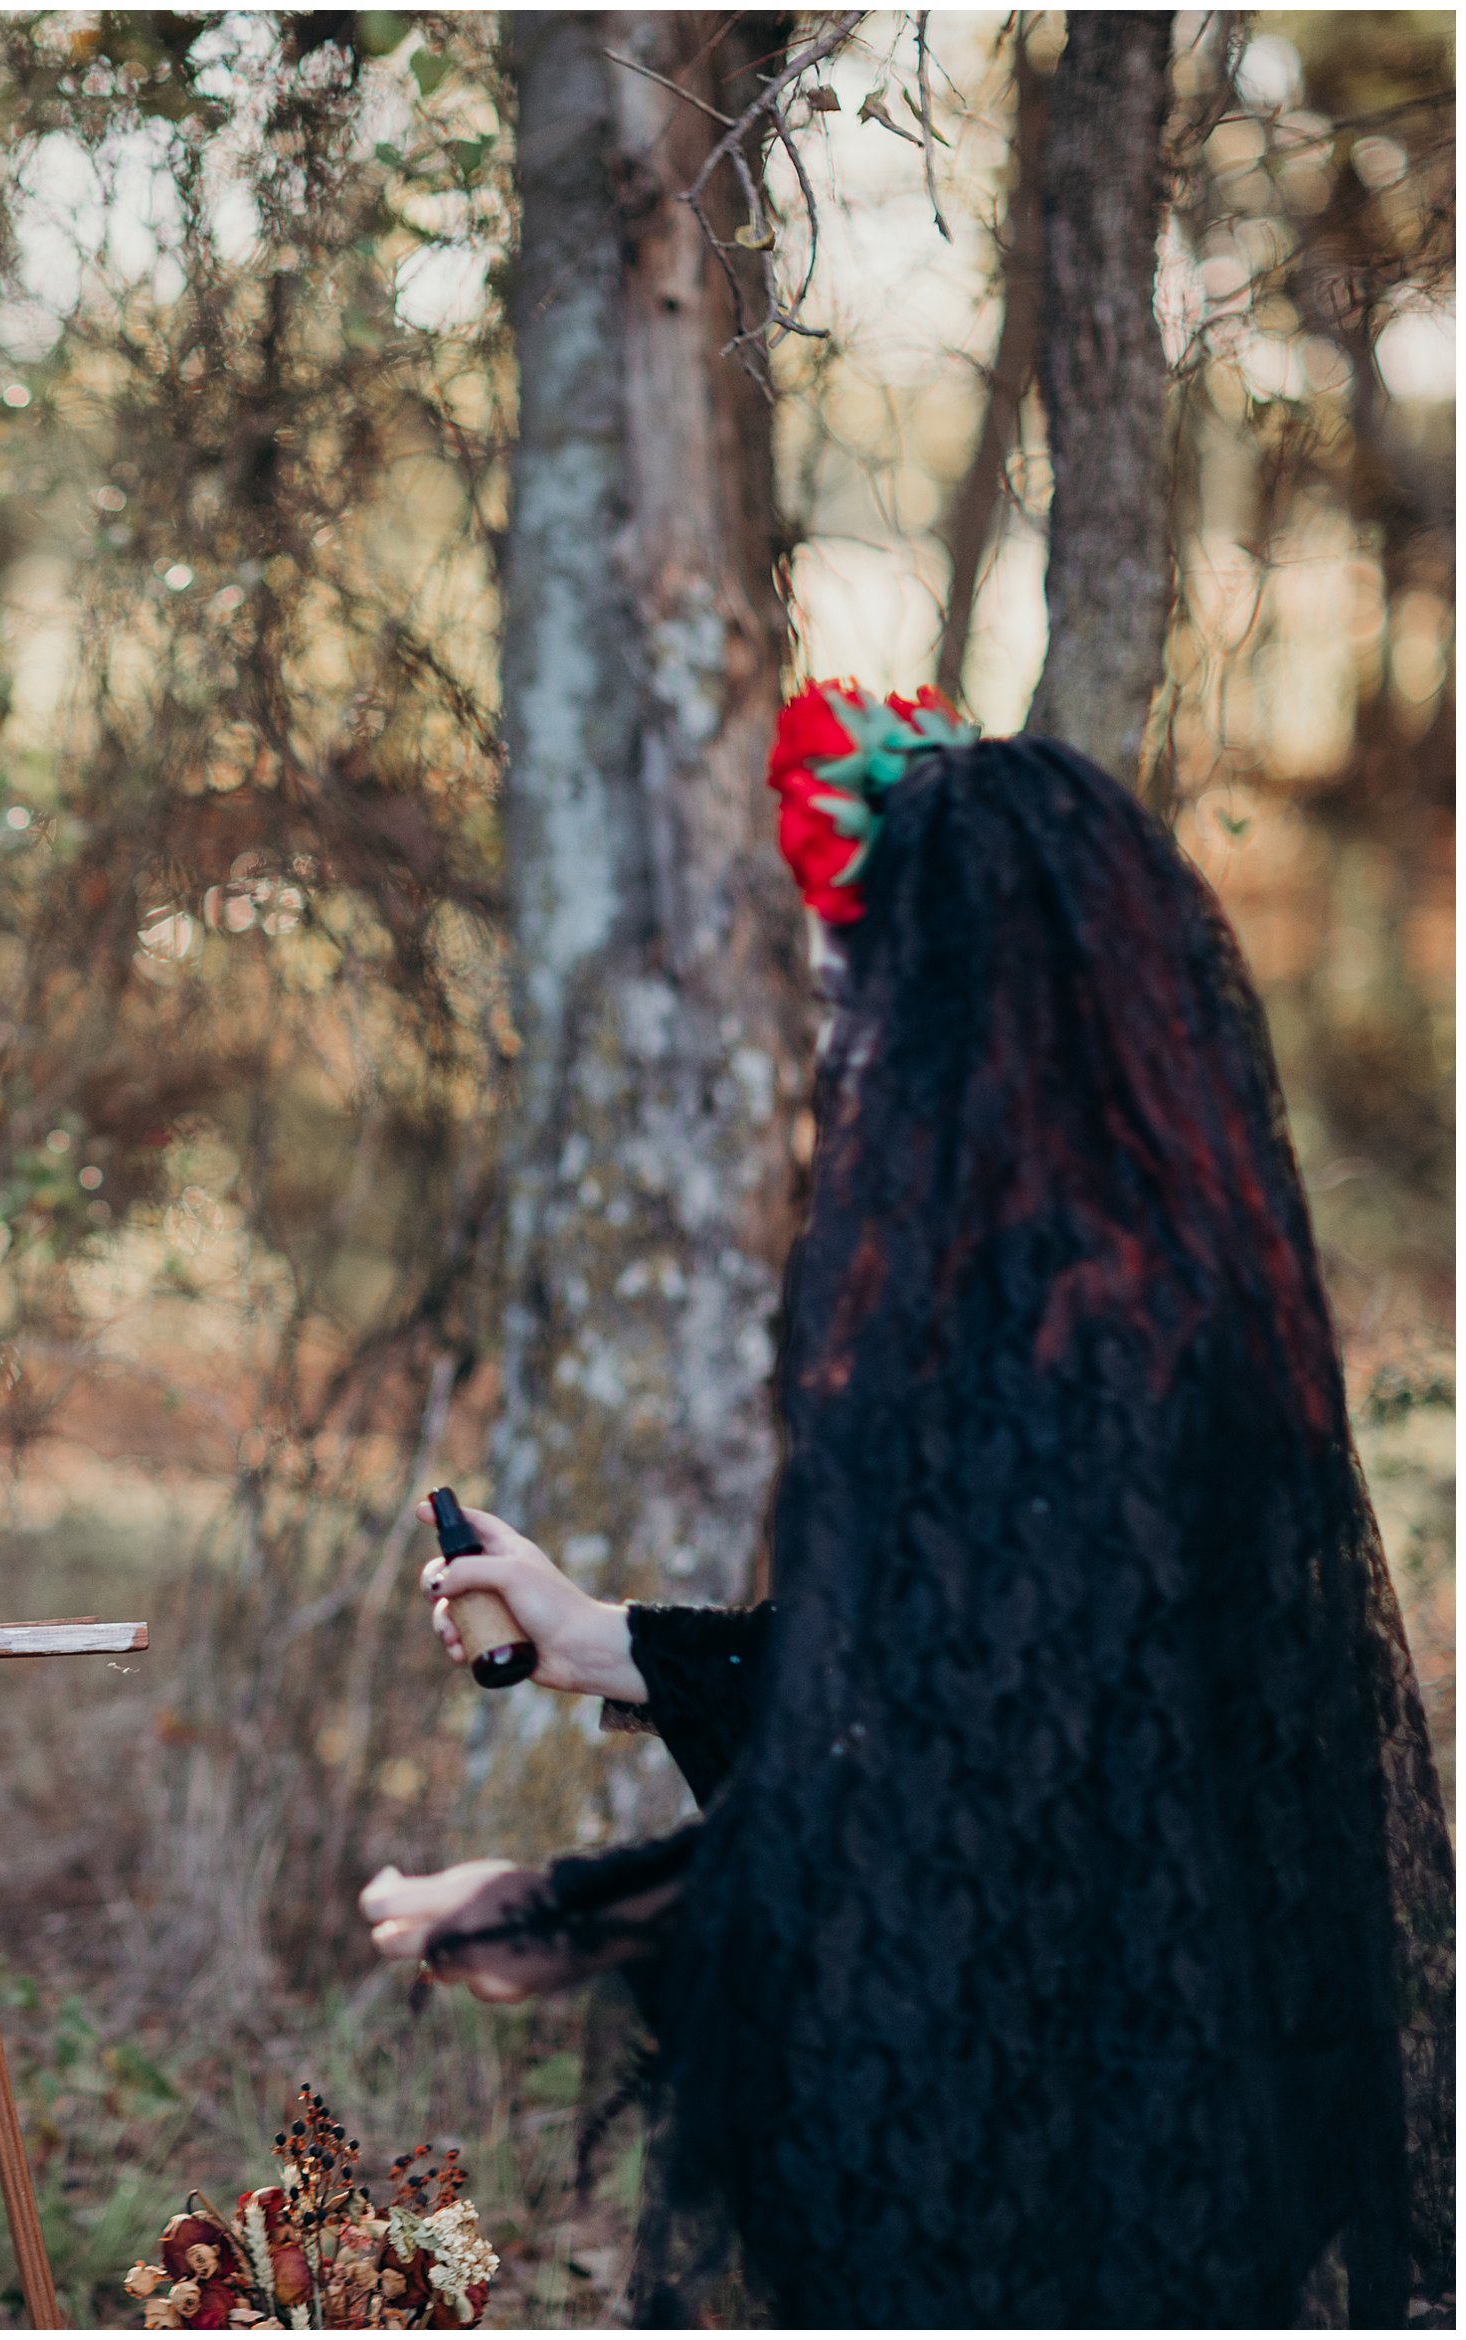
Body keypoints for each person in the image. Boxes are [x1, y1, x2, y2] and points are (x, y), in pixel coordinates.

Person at [359, 685, 1454, 2325]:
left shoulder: (1061, 1327)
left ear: (970, 1008)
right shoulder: (1150, 1283)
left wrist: (564, 1913)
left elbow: (952, 1793)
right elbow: (971, 1668)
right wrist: (601, 1641)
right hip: (1174, 2104)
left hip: (1068, 2149)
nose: (845, 1047)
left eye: (853, 993)